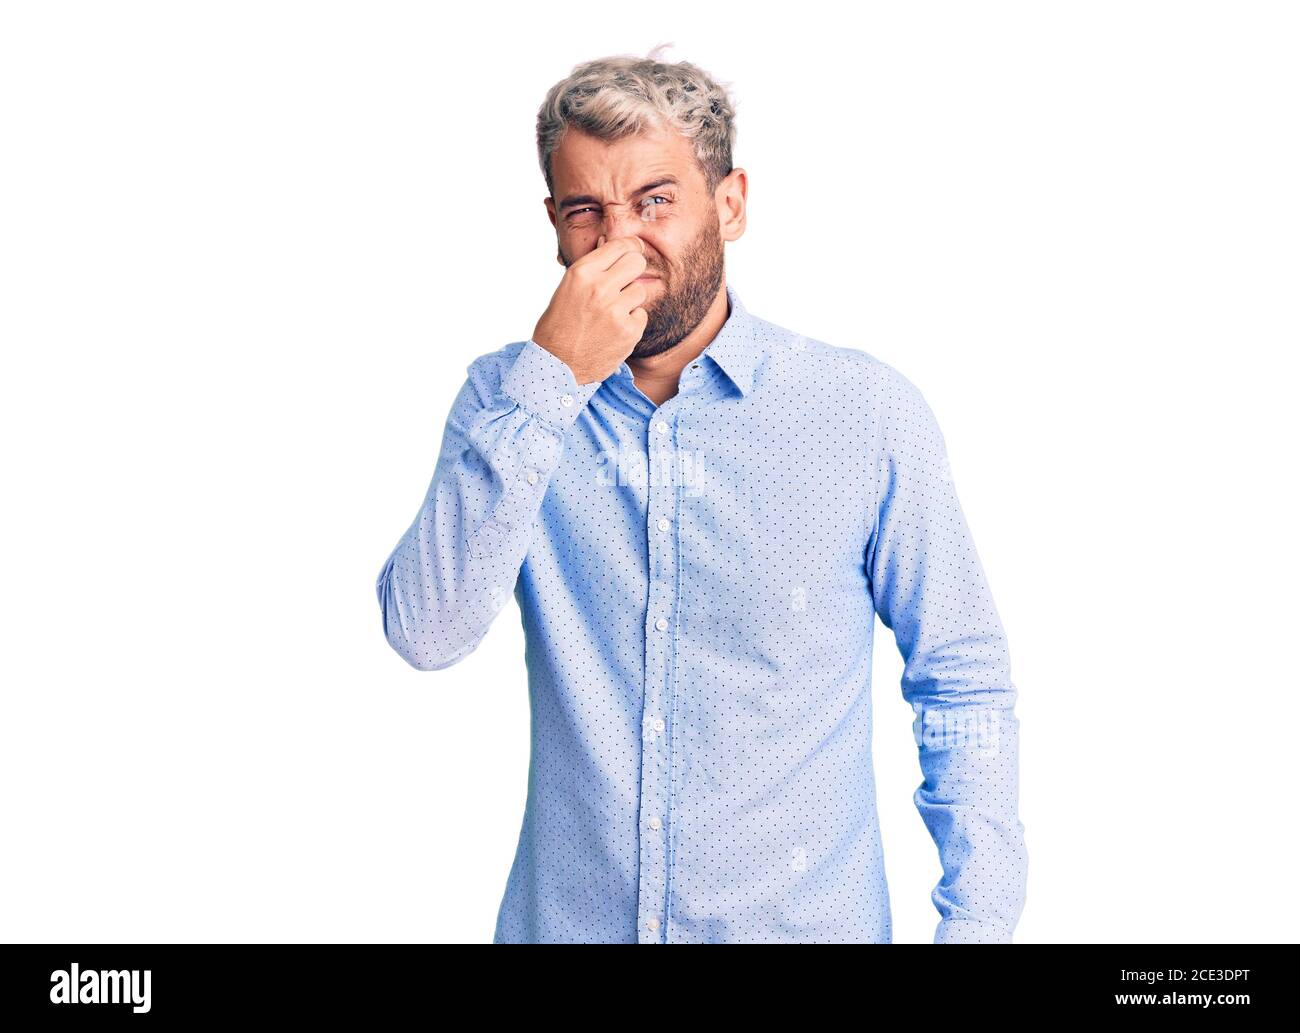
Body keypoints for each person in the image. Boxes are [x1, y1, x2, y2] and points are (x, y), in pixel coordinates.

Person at [375, 47, 1028, 944]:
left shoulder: (864, 414)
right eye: (585, 212)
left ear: (730, 204)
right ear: (553, 226)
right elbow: (425, 629)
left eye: (654, 201)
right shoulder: (508, 402)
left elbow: (963, 682)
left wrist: (980, 928)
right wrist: (552, 382)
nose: (617, 243)